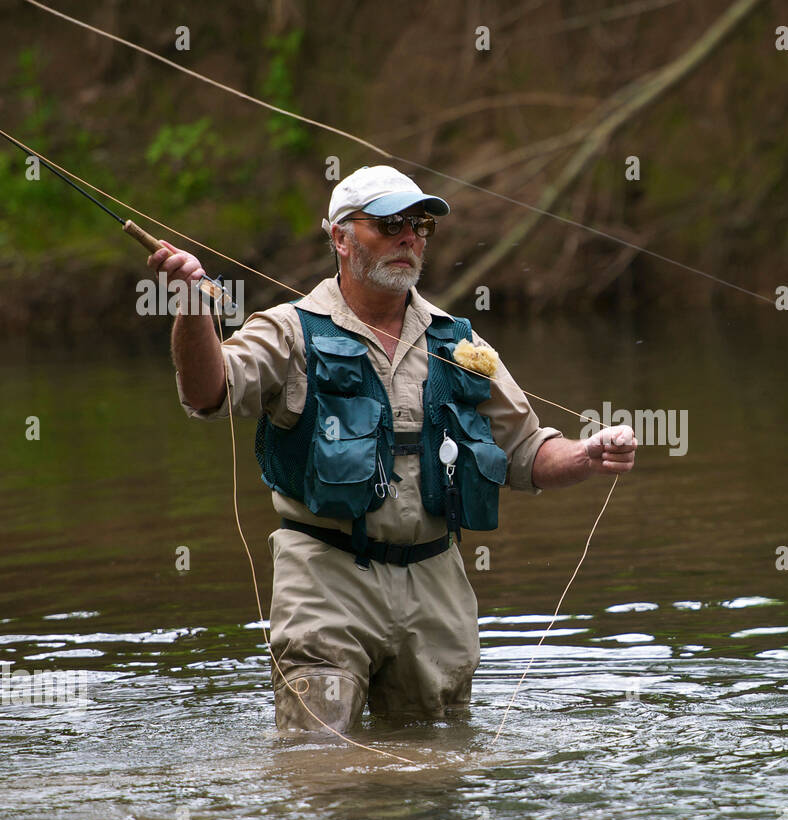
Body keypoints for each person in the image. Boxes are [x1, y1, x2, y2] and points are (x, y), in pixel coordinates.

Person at [158, 165, 636, 731]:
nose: (408, 237)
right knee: (319, 760)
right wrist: (192, 305)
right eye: (389, 224)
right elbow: (206, 392)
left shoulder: (458, 342)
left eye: (419, 225)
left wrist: (587, 454)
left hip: (436, 586)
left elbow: (527, 453)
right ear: (340, 236)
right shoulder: (288, 331)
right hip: (325, 576)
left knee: (437, 763)